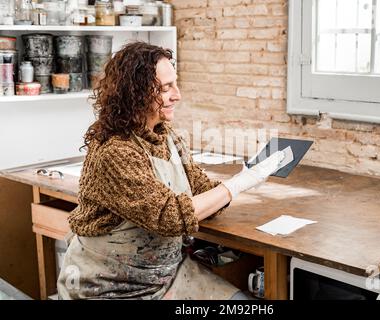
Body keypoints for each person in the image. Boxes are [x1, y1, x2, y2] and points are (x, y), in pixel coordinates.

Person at [57, 42, 290, 300]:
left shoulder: (167, 136)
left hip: (165, 276)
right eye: (165, 88)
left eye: (175, 84)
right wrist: (238, 184)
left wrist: (248, 174)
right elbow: (170, 217)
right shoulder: (115, 151)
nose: (177, 95)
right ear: (135, 92)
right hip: (110, 286)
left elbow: (200, 189)